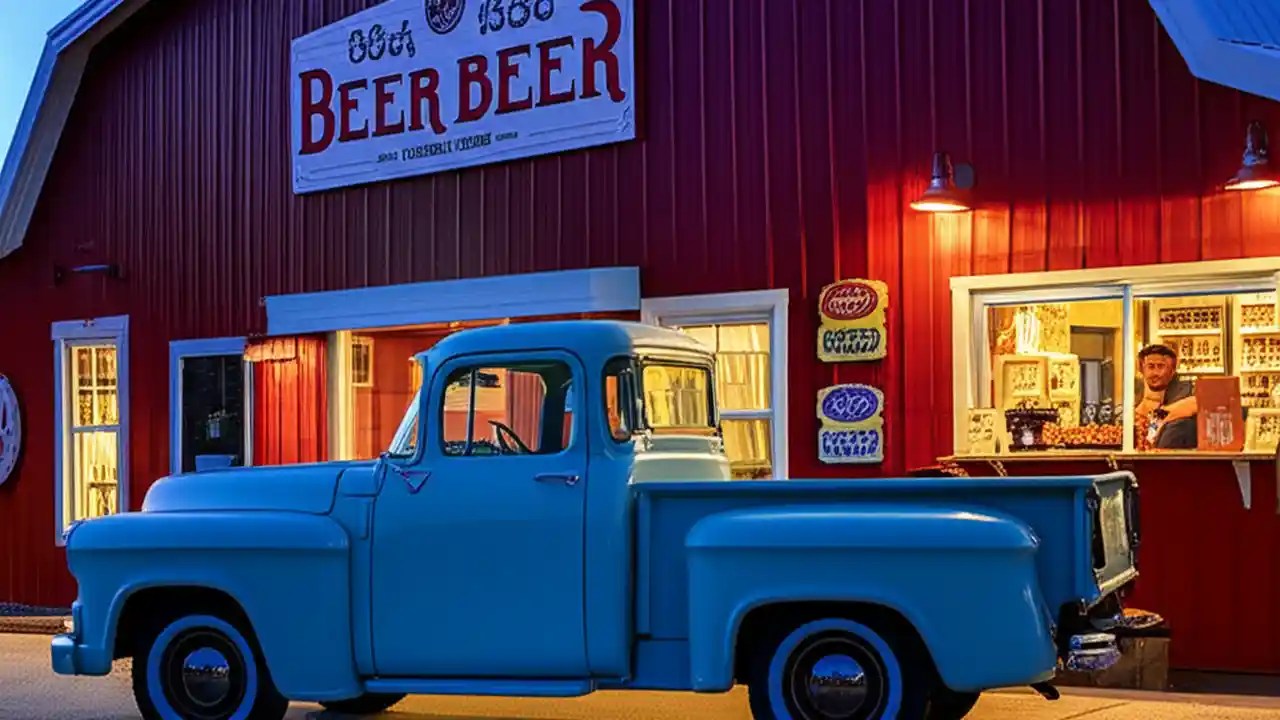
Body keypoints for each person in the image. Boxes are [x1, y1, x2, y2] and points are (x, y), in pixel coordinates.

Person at [1134, 343, 1197, 449]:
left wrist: (1164, 415)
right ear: (1142, 370)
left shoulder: (1186, 391)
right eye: (1150, 366)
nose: (1155, 373)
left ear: (1172, 371)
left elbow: (1199, 402)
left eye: (1161, 366)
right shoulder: (1134, 393)